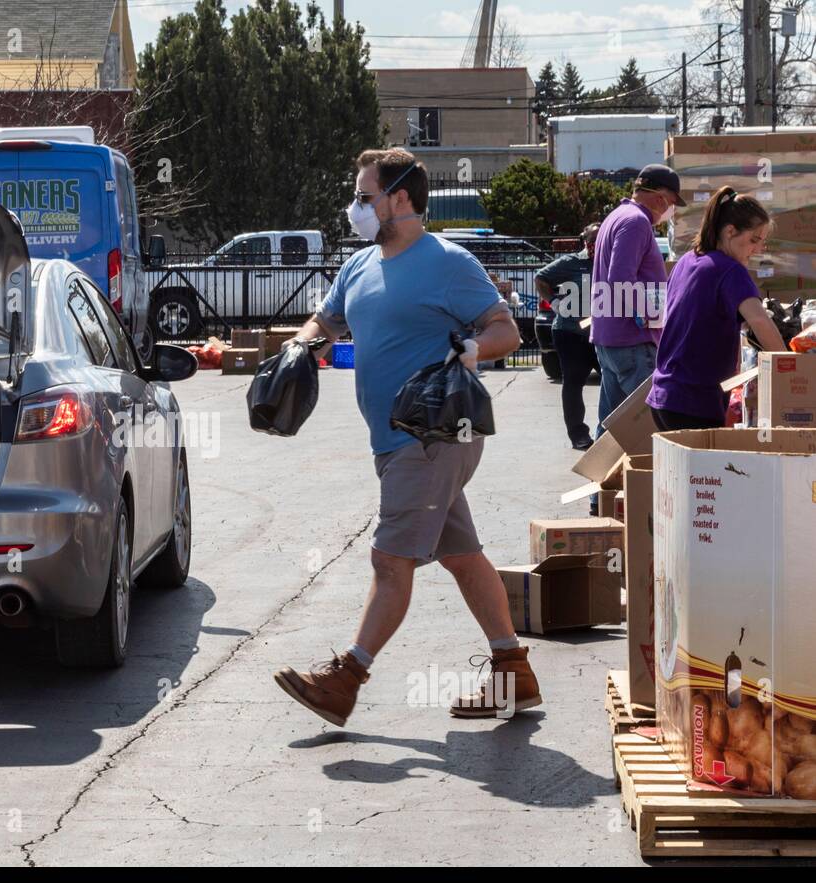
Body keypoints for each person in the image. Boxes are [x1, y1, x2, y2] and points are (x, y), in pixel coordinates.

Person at [271, 148, 541, 727]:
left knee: (389, 561)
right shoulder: (360, 265)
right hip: (394, 442)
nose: (356, 208)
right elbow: (327, 317)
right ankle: (513, 670)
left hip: (433, 433)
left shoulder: (446, 262)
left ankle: (347, 678)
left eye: (365, 197)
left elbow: (506, 329)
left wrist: (473, 348)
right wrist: (301, 344)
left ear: (400, 198)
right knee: (463, 556)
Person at [648, 187, 786, 430]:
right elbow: (761, 321)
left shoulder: (687, 261)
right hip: (694, 403)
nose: (757, 249)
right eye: (754, 240)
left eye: (762, 242)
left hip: (664, 397)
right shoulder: (730, 270)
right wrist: (793, 372)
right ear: (730, 231)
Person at [590, 164, 684, 430]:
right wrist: (651, 316)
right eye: (673, 203)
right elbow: (620, 279)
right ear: (660, 198)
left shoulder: (618, 216)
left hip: (612, 337)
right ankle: (647, 473)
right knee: (647, 426)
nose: (672, 211)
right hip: (632, 340)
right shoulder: (636, 222)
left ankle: (604, 472)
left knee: (614, 427)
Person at [535, 224, 602, 449]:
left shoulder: (612, 260)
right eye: (592, 240)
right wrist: (554, 303)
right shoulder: (571, 263)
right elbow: (540, 278)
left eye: (600, 239)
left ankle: (610, 434)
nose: (595, 245)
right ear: (584, 241)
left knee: (612, 383)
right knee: (573, 382)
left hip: (602, 334)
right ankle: (578, 435)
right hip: (570, 333)